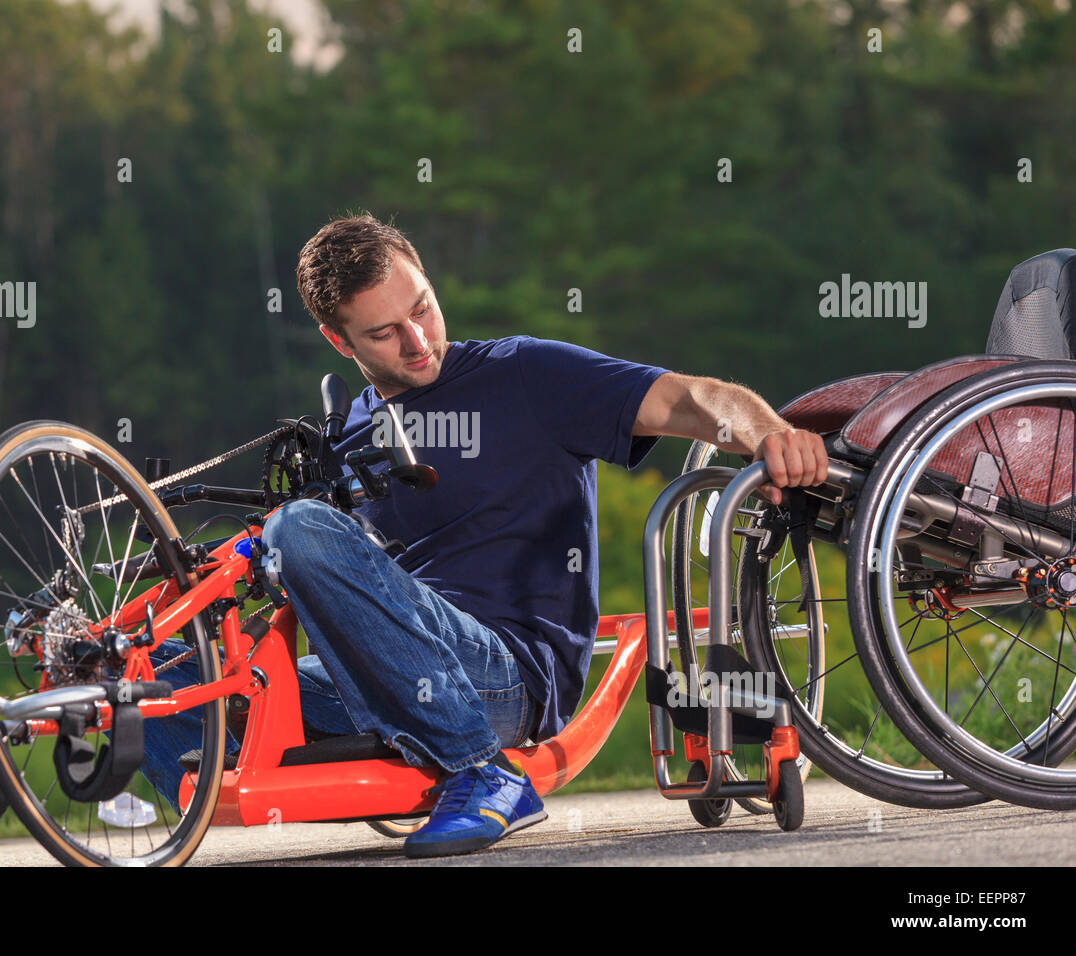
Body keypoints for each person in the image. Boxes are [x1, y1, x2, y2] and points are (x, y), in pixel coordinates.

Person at [145, 213, 829, 858]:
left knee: (301, 529)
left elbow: (693, 398)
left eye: (422, 308)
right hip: (380, 673)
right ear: (339, 341)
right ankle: (195, 768)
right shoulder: (346, 431)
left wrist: (766, 434)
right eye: (384, 333)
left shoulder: (525, 375)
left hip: (503, 674)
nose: (417, 340)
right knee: (144, 670)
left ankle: (481, 771)